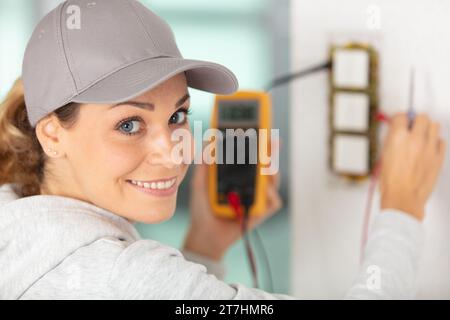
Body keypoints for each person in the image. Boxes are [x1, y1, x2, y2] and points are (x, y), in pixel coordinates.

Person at [0, 0, 445, 299]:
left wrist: (205, 245)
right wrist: (402, 208)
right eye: (129, 124)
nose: (172, 152)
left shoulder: (16, 222)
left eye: (176, 116)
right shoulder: (127, 275)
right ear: (52, 134)